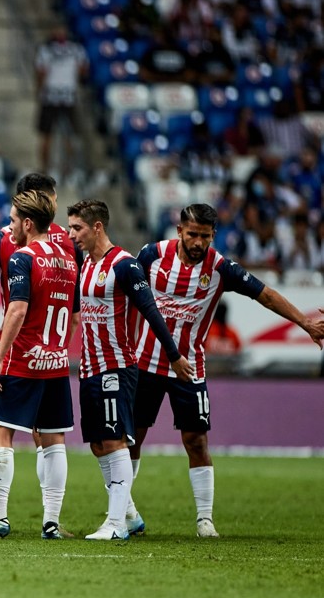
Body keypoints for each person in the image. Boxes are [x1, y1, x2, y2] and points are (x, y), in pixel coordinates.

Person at [133, 203, 324, 537]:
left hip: (189, 368)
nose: (197, 242)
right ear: (179, 231)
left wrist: (304, 322)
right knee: (132, 437)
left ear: (213, 236)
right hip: (145, 363)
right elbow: (123, 292)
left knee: (196, 440)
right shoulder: (151, 255)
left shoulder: (220, 268)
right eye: (192, 234)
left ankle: (205, 519)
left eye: (204, 236)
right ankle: (123, 509)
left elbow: (265, 295)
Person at [0, 190, 78, 540]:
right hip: (54, 361)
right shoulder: (68, 257)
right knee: (53, 438)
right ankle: (51, 522)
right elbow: (72, 314)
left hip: (23, 359)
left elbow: (17, 309)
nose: (9, 228)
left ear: (27, 223)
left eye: (12, 221)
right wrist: (57, 348)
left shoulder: (24, 257)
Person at [66, 199, 192, 540]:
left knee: (114, 439)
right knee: (96, 444)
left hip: (116, 366)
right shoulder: (86, 264)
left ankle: (116, 523)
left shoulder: (124, 265)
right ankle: (131, 515)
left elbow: (151, 310)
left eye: (77, 228)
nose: (71, 234)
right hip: (89, 367)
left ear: (97, 227)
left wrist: (174, 354)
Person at [34, 27, 87, 179]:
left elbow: (41, 73)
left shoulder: (46, 50)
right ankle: (64, 168)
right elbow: (83, 70)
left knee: (55, 135)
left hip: (54, 95)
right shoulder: (76, 49)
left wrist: (39, 91)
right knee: (58, 135)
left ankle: (52, 168)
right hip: (65, 95)